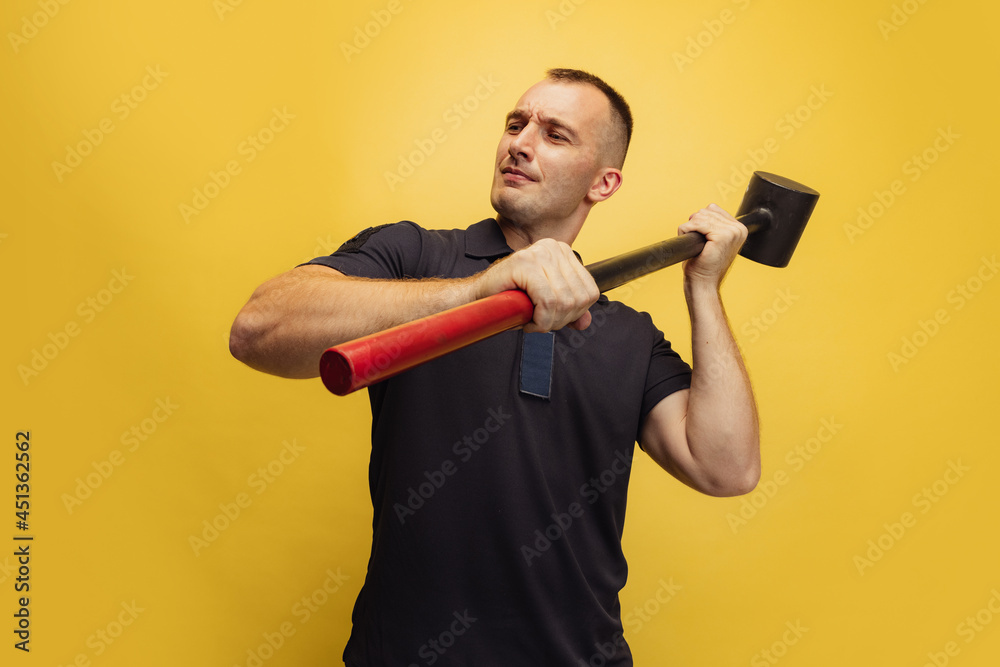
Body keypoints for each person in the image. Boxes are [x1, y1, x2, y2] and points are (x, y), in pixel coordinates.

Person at [230, 68, 760, 666]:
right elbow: (259, 329)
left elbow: (726, 467)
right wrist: (475, 292)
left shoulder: (631, 335)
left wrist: (706, 288)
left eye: (556, 135)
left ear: (603, 182)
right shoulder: (416, 255)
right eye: (516, 123)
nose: (521, 142)